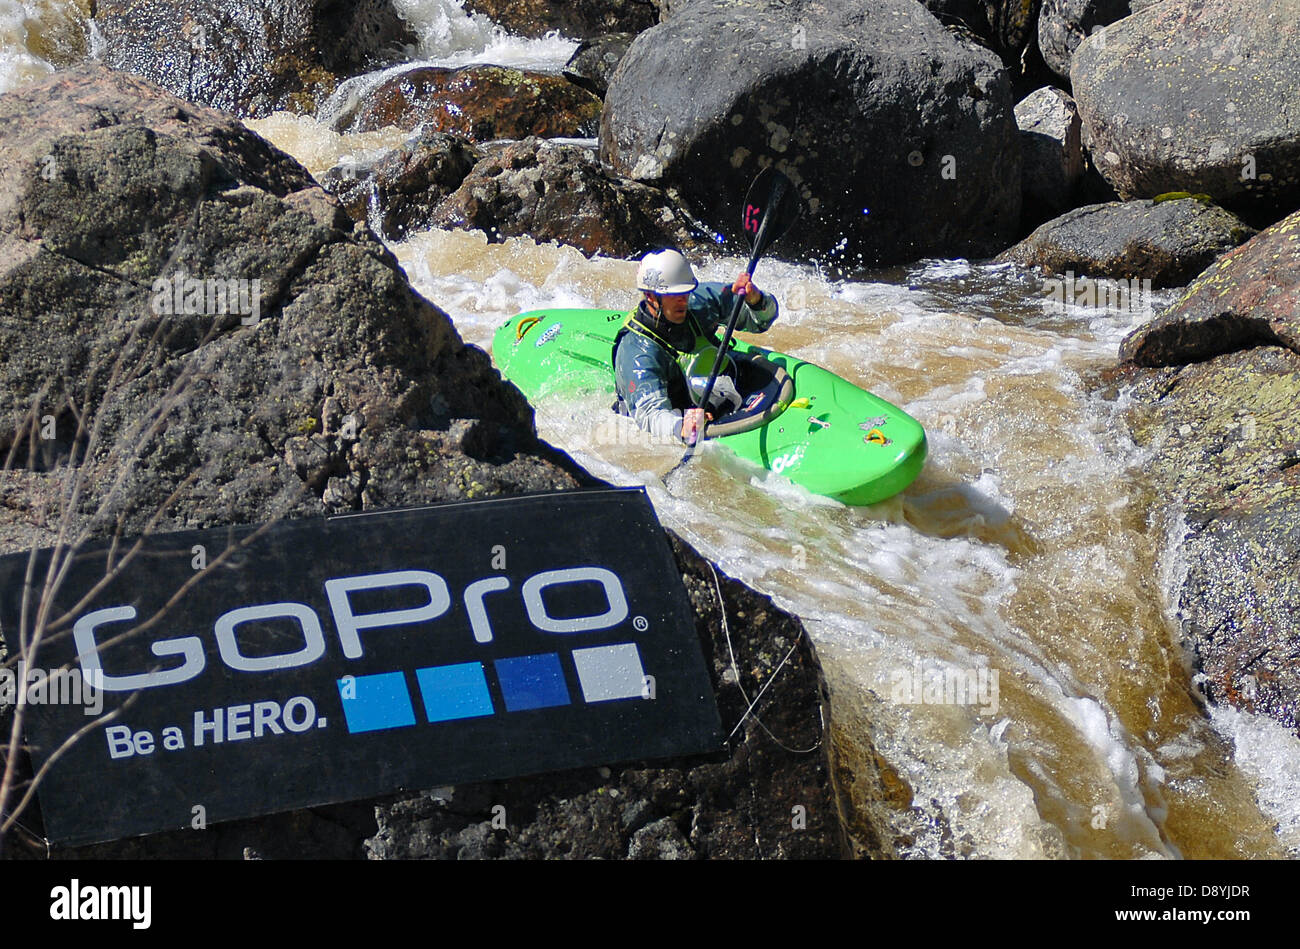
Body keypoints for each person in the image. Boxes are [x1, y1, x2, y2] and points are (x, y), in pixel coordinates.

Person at [612, 249, 779, 445]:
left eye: (685, 292)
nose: (683, 300)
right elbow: (649, 414)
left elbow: (759, 322)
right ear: (650, 296)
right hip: (675, 407)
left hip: (709, 388)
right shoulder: (637, 352)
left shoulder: (700, 301)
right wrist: (680, 425)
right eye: (674, 295)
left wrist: (756, 300)